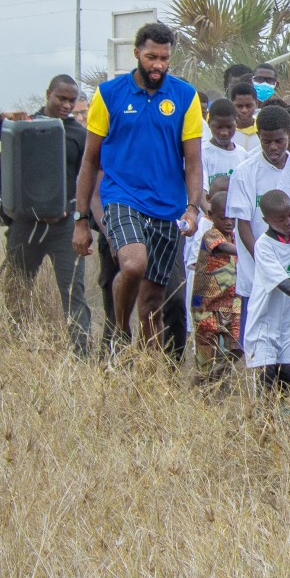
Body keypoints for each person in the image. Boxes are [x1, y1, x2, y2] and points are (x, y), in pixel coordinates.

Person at [73, 22, 203, 351]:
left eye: (164, 58)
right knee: (133, 264)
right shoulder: (108, 94)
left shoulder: (185, 96)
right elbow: (90, 160)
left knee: (154, 300)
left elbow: (194, 161)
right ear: (136, 54)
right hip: (122, 198)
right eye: (150, 57)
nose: (157, 65)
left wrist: (192, 207)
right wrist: (81, 219)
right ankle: (119, 331)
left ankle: (146, 372)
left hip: (167, 205)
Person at [0, 74, 92, 354]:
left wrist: (85, 221)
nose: (66, 105)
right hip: (25, 225)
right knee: (17, 290)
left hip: (64, 228)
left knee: (74, 294)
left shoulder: (78, 135)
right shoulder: (22, 125)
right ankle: (15, 351)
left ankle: (82, 357)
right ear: (48, 93)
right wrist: (3, 118)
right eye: (61, 98)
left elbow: (92, 180)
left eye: (72, 100)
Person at [225, 104, 290, 340]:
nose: (273, 147)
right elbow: (242, 224)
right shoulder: (245, 172)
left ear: (289, 136)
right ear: (258, 137)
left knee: (289, 341)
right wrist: (263, 259)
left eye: (279, 141)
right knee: (257, 341)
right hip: (256, 271)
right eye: (266, 141)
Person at [246, 190, 290, 393]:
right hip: (266, 323)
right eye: (281, 218)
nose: (288, 222)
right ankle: (264, 424)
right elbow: (283, 283)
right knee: (266, 380)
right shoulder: (264, 245)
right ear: (266, 220)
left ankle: (285, 422)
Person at [191, 188, 242, 379]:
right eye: (223, 218)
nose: (229, 222)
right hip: (207, 305)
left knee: (239, 344)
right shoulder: (211, 235)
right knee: (205, 352)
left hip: (231, 302)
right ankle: (204, 387)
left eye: (232, 217)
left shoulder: (236, 237)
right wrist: (248, 250)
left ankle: (219, 375)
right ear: (211, 216)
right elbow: (223, 247)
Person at [201, 99, 247, 191]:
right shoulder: (201, 153)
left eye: (229, 127)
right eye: (218, 127)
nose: (224, 133)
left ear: (236, 123)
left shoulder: (243, 155)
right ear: (209, 123)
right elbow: (201, 191)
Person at [229, 82, 260, 153]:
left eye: (249, 106)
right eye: (239, 106)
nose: (244, 110)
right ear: (231, 104)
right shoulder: (226, 132)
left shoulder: (263, 129)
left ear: (256, 103)